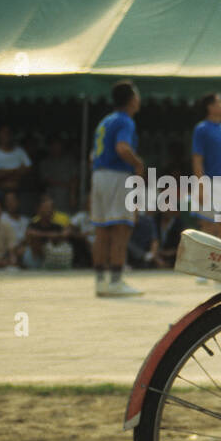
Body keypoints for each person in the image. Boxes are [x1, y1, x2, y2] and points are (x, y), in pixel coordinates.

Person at [89, 80, 145, 296]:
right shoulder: (126, 121)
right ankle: (116, 281)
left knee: (101, 230)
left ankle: (100, 281)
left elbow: (92, 155)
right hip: (117, 176)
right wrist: (138, 163)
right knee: (121, 228)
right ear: (131, 99)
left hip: (99, 174)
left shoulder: (105, 121)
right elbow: (122, 147)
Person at [191, 92, 221, 245]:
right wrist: (200, 185)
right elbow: (197, 159)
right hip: (210, 181)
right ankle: (206, 266)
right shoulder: (202, 129)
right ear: (210, 107)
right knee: (208, 226)